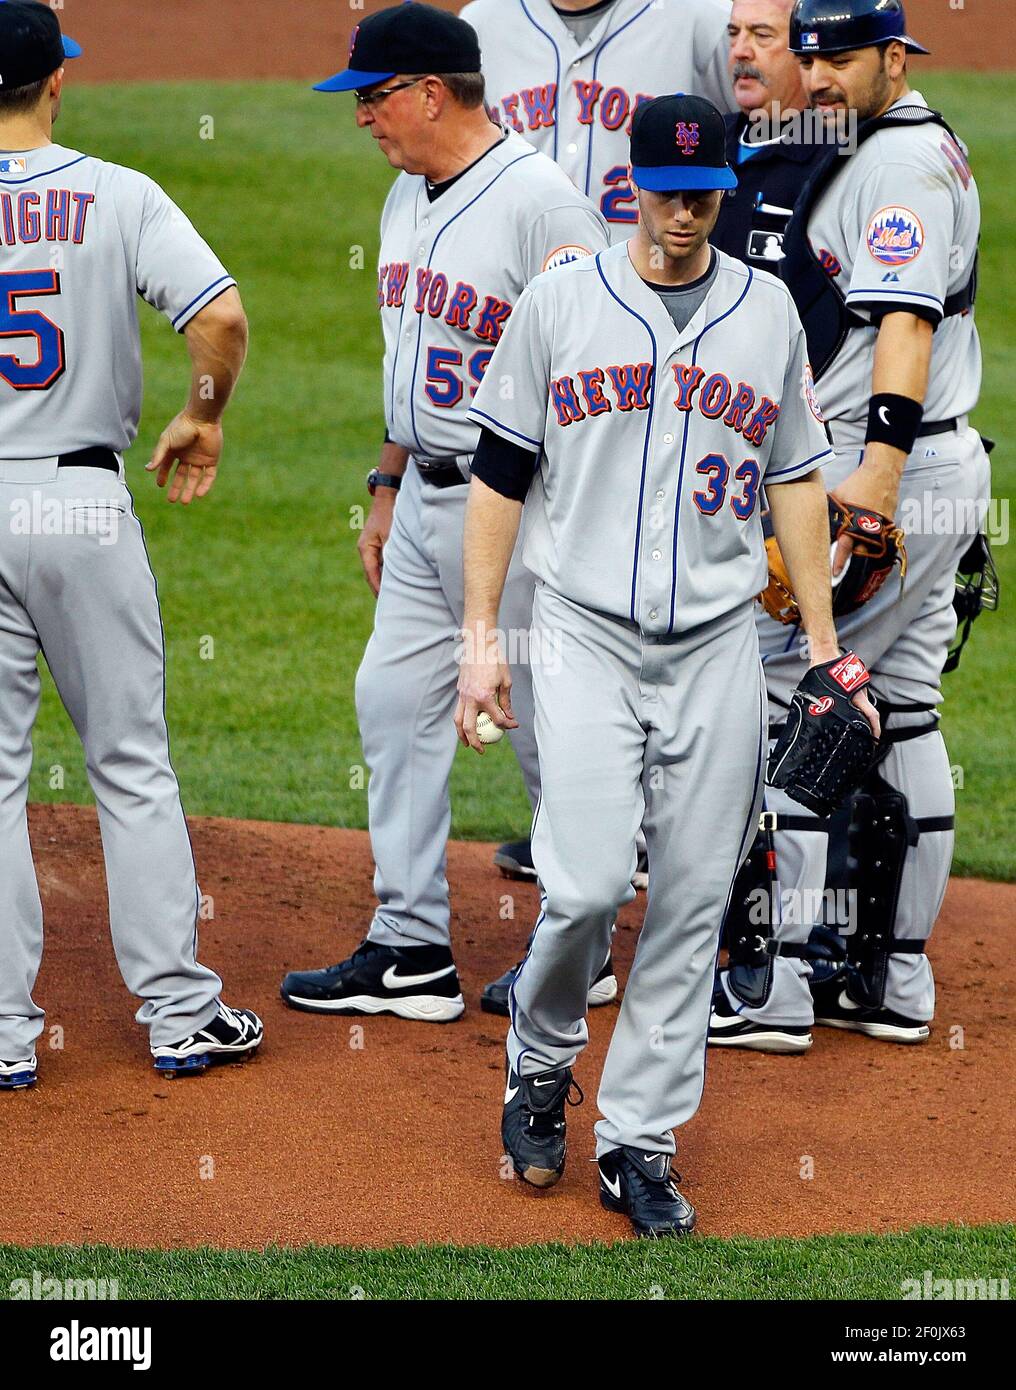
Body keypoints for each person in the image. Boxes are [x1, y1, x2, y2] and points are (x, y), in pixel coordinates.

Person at [455, 93, 877, 1235]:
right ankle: (539, 1055)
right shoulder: (559, 302)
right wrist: (481, 635)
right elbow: (497, 471)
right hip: (581, 635)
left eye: (703, 193)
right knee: (587, 883)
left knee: (691, 901)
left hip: (716, 646)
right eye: (664, 191)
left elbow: (794, 476)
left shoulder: (765, 314)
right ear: (628, 184)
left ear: (724, 186)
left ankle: (636, 1139)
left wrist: (827, 649)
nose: (683, 214)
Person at [279, 4, 610, 1023]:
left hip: (512, 505)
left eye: (373, 99)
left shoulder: (542, 202)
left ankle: (577, 948)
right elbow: (411, 363)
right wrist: (384, 481)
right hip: (420, 495)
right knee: (389, 702)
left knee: (540, 728)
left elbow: (593, 372)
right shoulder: (405, 197)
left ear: (431, 92)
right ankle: (410, 944)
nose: (361, 120)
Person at [708, 0, 988, 1053]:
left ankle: (774, 985)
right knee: (902, 706)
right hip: (943, 464)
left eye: (840, 60)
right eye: (808, 56)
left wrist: (869, 478)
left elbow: (902, 328)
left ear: (893, 56)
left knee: (794, 699)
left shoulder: (898, 170)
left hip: (888, 470)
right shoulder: (900, 145)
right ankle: (894, 977)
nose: (817, 78)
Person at [0, 1, 260, 1089]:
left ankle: (5, 1035)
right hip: (77, 504)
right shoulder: (118, 191)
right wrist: (202, 412)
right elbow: (222, 321)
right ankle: (177, 1013)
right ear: (56, 79)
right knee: (130, 763)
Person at [460, 0, 737, 900]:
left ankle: (617, 847)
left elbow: (761, 99)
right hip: (559, 351)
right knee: (562, 642)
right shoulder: (489, 24)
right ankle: (583, 843)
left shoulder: (697, 19)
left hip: (673, 335)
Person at [711, 0, 823, 270]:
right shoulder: (706, 140)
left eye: (761, 36)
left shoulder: (834, 156)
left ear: (804, 53)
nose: (740, 51)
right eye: (734, 34)